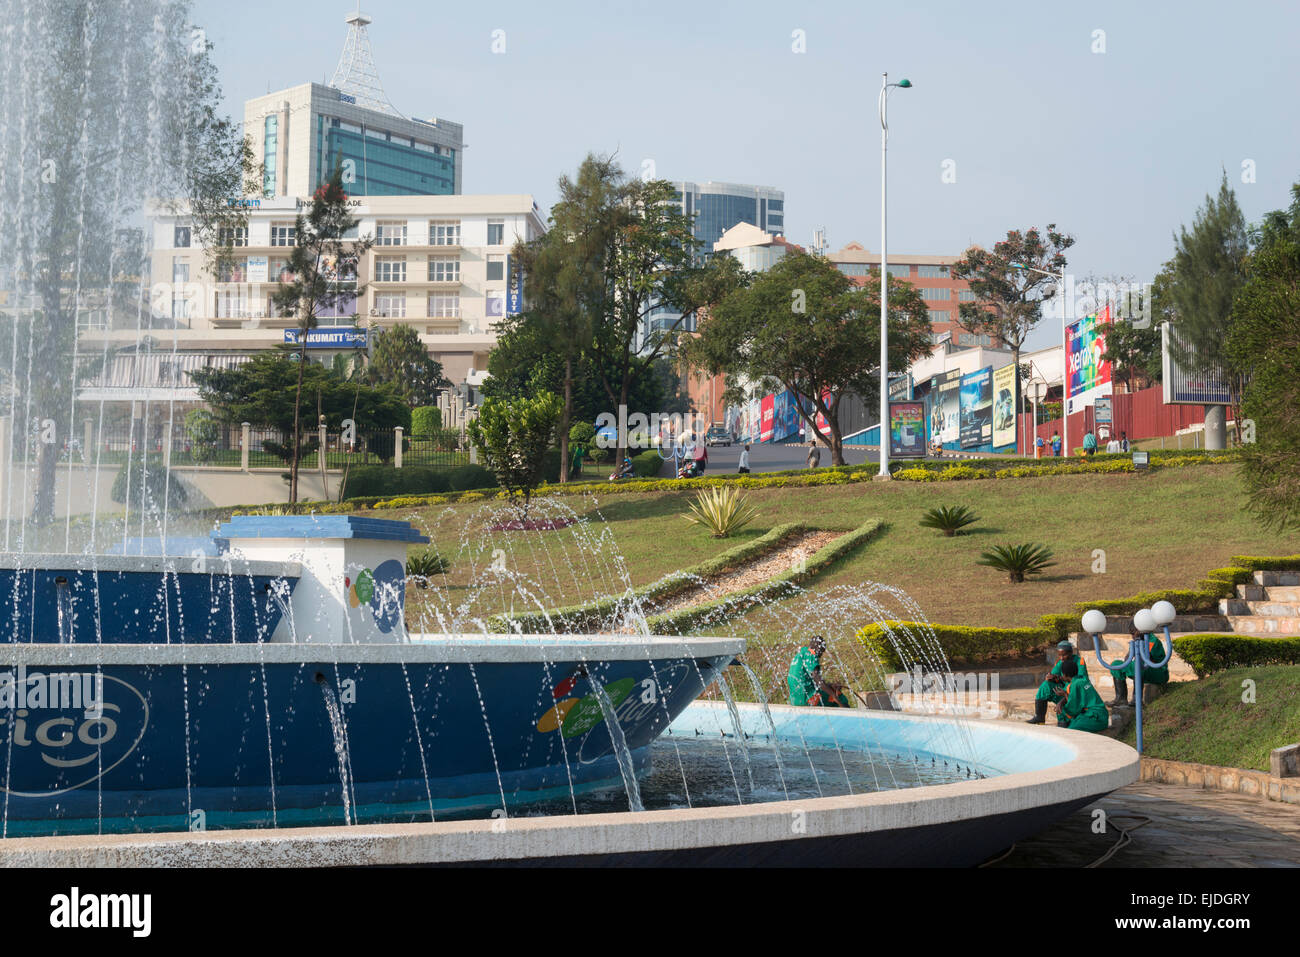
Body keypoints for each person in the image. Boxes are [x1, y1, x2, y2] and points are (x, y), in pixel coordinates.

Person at [1029, 640, 1088, 725]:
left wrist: (1059, 678)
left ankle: (1066, 719)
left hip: (1075, 693)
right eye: (1059, 655)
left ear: (1071, 653)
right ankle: (1039, 717)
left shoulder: (1079, 661)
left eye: (1064, 655)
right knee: (1046, 686)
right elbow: (1054, 675)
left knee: (1063, 722)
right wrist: (1051, 677)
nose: (1061, 658)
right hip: (1064, 691)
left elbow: (1081, 681)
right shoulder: (1060, 662)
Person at [1110, 624, 1170, 705]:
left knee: (1137, 665)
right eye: (1131, 634)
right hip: (1143, 671)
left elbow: (1144, 659)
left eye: (1134, 633)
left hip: (1158, 673)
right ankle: (1121, 698)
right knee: (1115, 665)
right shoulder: (1137, 640)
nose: (1132, 636)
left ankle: (1136, 699)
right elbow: (1127, 660)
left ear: (1140, 630)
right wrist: (1132, 649)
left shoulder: (1152, 640)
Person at [787, 635, 850, 707]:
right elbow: (816, 678)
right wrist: (834, 697)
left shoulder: (800, 654)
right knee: (838, 696)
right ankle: (850, 716)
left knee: (828, 693)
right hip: (807, 700)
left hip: (795, 700)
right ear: (817, 647)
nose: (820, 655)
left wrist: (829, 685)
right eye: (821, 652)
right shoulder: (811, 654)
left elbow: (810, 682)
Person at [1055, 658, 1109, 732]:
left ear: (1064, 674)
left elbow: (1073, 709)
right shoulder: (1082, 679)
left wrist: (1064, 694)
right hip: (1101, 715)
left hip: (1096, 718)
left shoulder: (1075, 685)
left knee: (1071, 730)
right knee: (1070, 723)